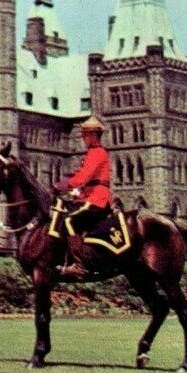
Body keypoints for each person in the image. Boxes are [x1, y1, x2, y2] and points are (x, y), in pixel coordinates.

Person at [54, 115, 112, 279]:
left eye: (86, 134)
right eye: (83, 134)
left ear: (94, 135)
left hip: (97, 199)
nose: (83, 138)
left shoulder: (97, 153)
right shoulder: (91, 153)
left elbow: (82, 178)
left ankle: (79, 265)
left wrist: (61, 185)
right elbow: (85, 182)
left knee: (68, 221)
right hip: (89, 196)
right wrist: (75, 193)